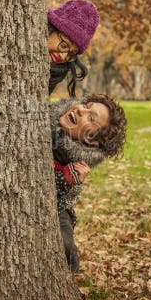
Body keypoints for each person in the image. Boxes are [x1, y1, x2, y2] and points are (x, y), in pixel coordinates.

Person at [50, 93, 127, 272]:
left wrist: (66, 180)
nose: (79, 109)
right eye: (86, 105)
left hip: (58, 207)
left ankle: (72, 261)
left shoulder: (78, 163)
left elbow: (61, 202)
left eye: (90, 117)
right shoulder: (50, 117)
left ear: (90, 139)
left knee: (63, 241)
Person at [47, 0, 100, 97]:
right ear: (51, 28)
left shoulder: (56, 73)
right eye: (64, 45)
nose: (63, 57)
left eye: (71, 54)